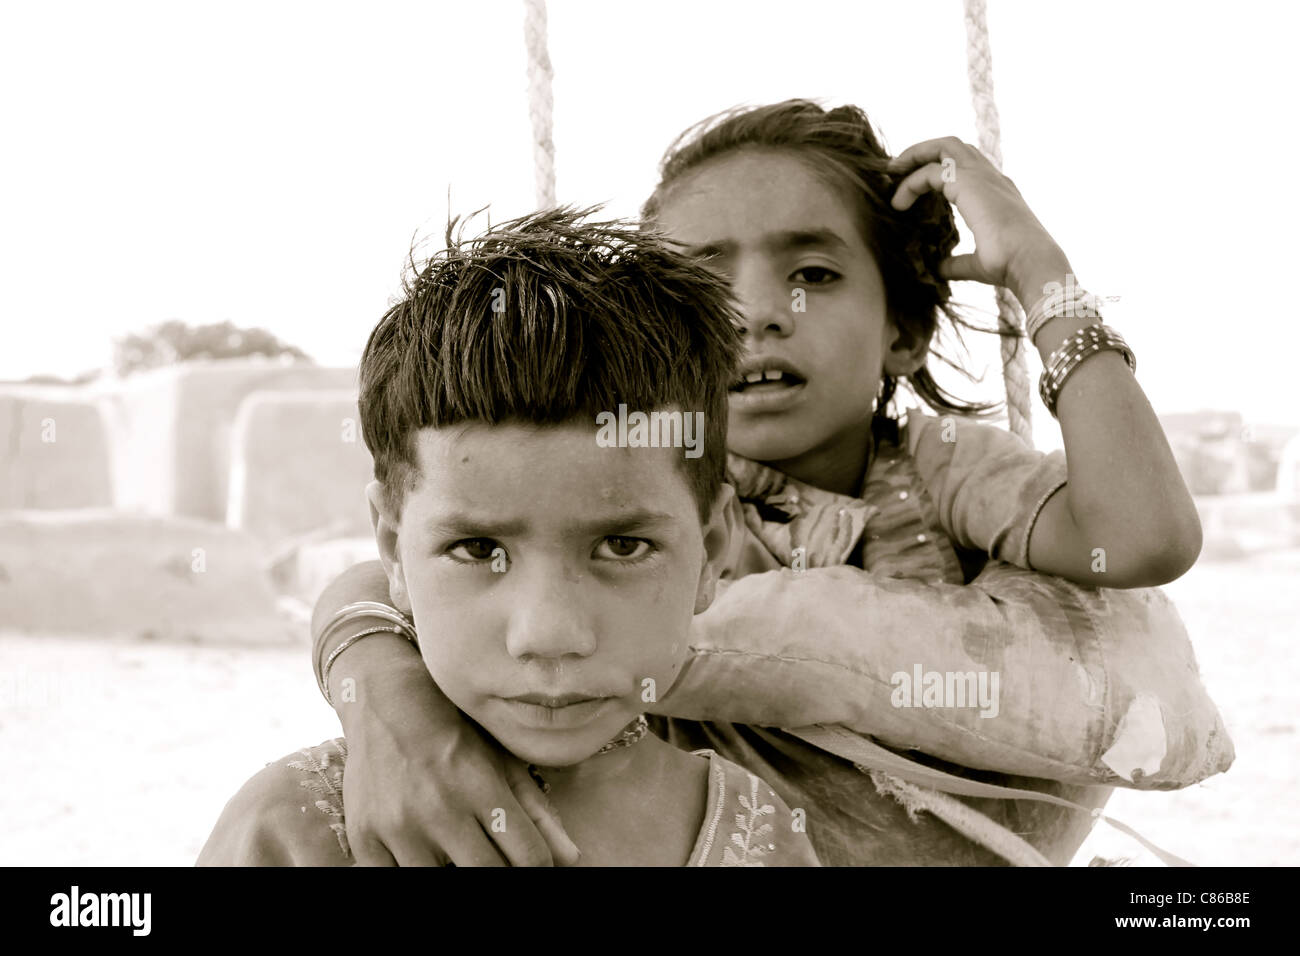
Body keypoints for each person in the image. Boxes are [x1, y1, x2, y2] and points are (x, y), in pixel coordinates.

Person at [307, 101, 1225, 867]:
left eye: (813, 275)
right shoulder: (635, 488)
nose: (756, 315)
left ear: (901, 334)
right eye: (706, 286)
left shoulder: (940, 470)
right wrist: (384, 693)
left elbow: (1144, 537)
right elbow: (388, 574)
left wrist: (1040, 273)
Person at [198, 210, 819, 866]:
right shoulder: (293, 830)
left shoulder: (758, 834)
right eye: (478, 549)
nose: (548, 634)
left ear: (712, 548)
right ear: (390, 546)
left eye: (622, 546)